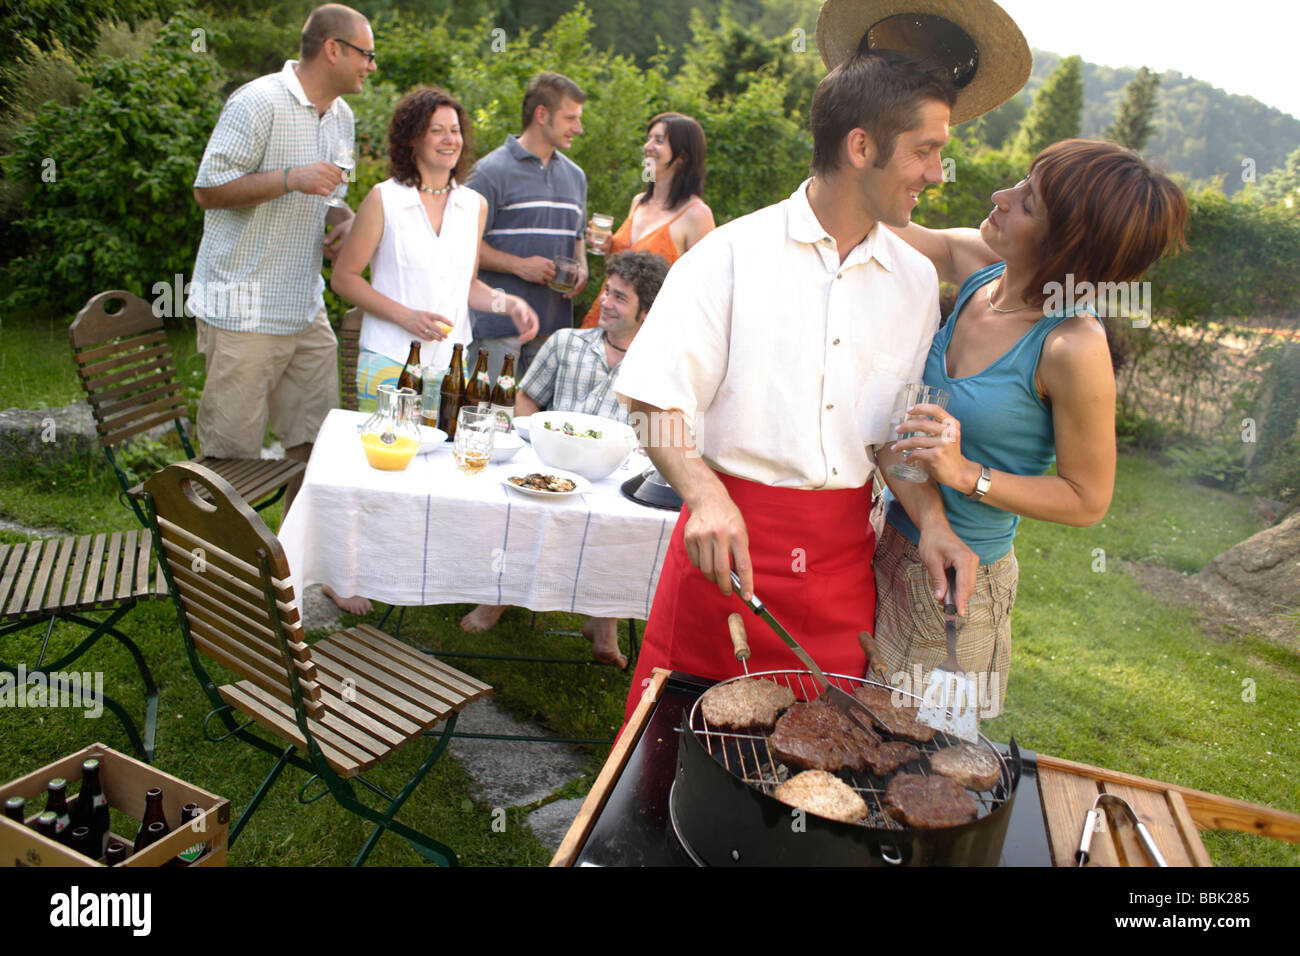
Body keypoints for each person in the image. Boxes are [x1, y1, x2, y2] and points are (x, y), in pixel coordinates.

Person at [615, 51, 984, 722]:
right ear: (861, 147)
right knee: (672, 762)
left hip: (842, 576)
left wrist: (934, 523)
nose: (936, 172)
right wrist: (705, 496)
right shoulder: (730, 255)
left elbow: (893, 440)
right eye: (924, 151)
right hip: (726, 560)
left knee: (824, 762)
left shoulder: (915, 282)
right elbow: (650, 398)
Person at [873, 138, 1188, 717]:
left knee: (922, 756)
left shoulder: (1072, 346)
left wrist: (967, 474)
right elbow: (874, 223)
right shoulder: (980, 268)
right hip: (884, 539)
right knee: (847, 733)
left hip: (956, 585)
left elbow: (1087, 499)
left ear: (1067, 244)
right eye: (1021, 182)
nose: (1001, 195)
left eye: (1028, 202)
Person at [190, 3, 373, 509]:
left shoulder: (342, 117)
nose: (371, 66)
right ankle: (214, 557)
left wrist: (345, 222)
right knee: (230, 460)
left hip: (304, 306)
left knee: (318, 445)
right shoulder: (257, 102)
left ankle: (291, 548)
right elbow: (209, 189)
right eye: (366, 54)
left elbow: (332, 196)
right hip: (242, 310)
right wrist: (290, 178)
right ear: (333, 49)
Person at [460, 251, 671, 666]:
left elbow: (659, 433)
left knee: (626, 529)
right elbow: (526, 400)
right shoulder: (566, 342)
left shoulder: (658, 366)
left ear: (645, 313)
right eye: (606, 291)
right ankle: (499, 598)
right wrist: (529, 443)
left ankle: (604, 621)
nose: (605, 301)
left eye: (620, 297)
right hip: (552, 466)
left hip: (615, 477)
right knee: (532, 513)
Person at [331, 86, 538, 413]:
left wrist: (509, 304)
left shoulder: (475, 205)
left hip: (450, 370)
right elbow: (344, 278)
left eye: (455, 130)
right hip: (388, 359)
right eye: (437, 131)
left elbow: (468, 286)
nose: (450, 139)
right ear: (413, 139)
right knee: (388, 446)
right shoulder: (384, 199)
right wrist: (406, 316)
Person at [465, 72, 588, 382]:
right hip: (497, 327)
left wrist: (582, 266)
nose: (578, 128)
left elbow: (577, 236)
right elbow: (463, 248)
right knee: (487, 409)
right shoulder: (489, 173)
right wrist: (519, 266)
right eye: (570, 118)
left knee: (539, 415)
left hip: (553, 333)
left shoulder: (576, 177)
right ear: (541, 115)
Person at [579, 112, 715, 328]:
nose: (647, 146)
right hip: (606, 322)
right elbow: (624, 276)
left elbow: (705, 289)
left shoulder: (696, 215)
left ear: (682, 156)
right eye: (648, 138)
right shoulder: (638, 202)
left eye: (658, 140)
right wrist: (608, 251)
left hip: (652, 330)